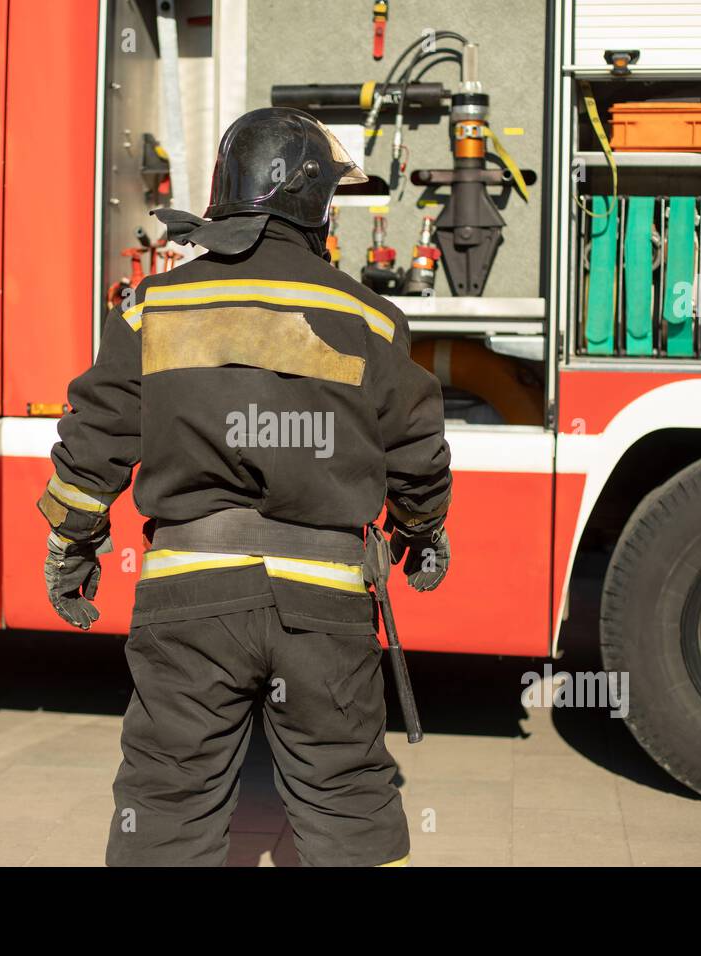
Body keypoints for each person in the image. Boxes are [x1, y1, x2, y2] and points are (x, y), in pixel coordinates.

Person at [38, 107, 452, 867]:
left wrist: (70, 546)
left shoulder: (152, 306)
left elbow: (93, 440)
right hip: (324, 604)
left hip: (189, 599)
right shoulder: (369, 317)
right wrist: (423, 532)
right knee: (346, 797)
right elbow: (417, 452)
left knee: (168, 801)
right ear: (316, 204)